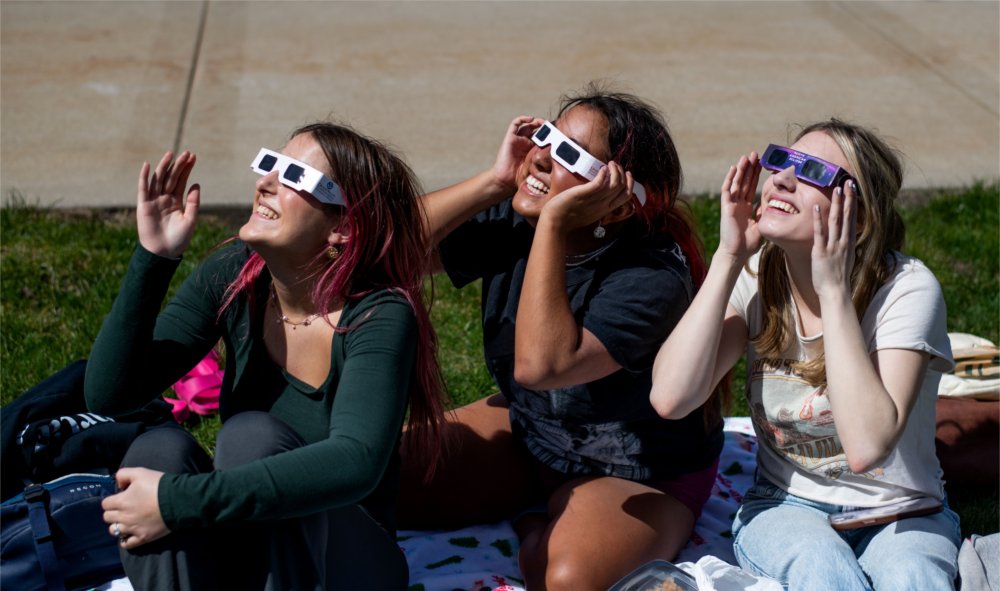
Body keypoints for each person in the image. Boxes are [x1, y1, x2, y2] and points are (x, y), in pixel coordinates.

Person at [85, 122, 446, 590]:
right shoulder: (235, 274)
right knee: (157, 450)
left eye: (294, 176)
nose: (265, 182)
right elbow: (110, 394)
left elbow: (355, 461)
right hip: (251, 546)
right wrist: (154, 256)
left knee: (251, 437)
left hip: (350, 561)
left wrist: (178, 502)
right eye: (270, 163)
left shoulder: (379, 315)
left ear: (345, 226)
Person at [397, 84, 725, 590]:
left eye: (570, 154)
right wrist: (493, 182)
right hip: (533, 439)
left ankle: (541, 522)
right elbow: (385, 254)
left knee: (561, 578)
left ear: (617, 204)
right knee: (377, 479)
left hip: (641, 474)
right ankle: (544, 511)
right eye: (547, 137)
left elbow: (542, 367)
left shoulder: (652, 276)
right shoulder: (513, 215)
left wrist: (551, 223)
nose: (544, 157)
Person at [650, 119, 961, 590]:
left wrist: (832, 292)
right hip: (786, 505)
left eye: (811, 171)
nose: (781, 178)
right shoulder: (754, 276)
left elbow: (866, 447)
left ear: (857, 217)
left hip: (902, 508)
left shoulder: (906, 289)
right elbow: (671, 398)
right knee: (822, 570)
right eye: (781, 160)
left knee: (913, 576)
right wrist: (728, 258)